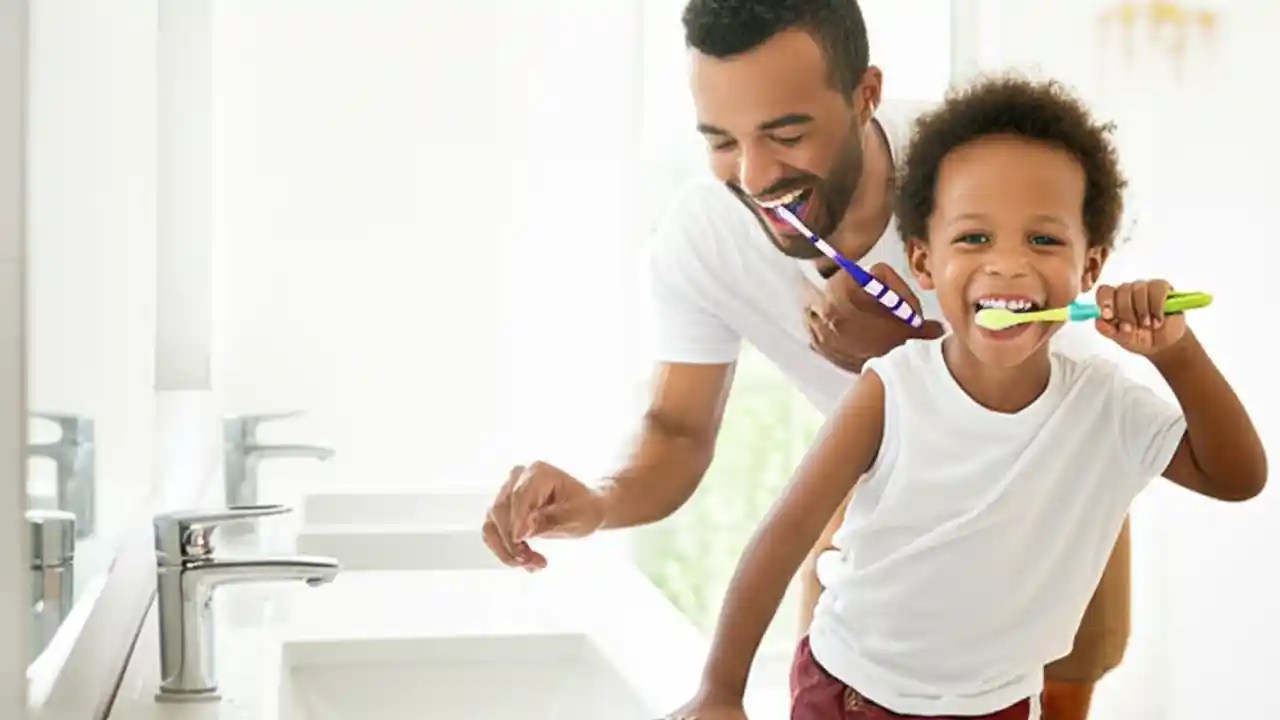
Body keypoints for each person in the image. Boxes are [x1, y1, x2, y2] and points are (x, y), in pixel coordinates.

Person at [481, 1, 1134, 716]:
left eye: (786, 134)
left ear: (865, 96)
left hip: (1049, 480)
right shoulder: (702, 237)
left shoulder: (971, 170)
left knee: (1061, 684)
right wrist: (600, 497)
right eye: (721, 141)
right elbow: (676, 431)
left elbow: (1051, 317)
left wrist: (912, 352)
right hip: (877, 486)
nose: (756, 176)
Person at [661, 75, 1268, 720]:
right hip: (849, 694)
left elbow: (1237, 477)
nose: (1006, 264)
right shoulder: (891, 390)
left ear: (1090, 269)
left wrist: (1176, 353)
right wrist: (720, 690)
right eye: (974, 238)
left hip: (996, 707)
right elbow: (783, 536)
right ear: (924, 263)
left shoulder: (1107, 407)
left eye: (1044, 239)